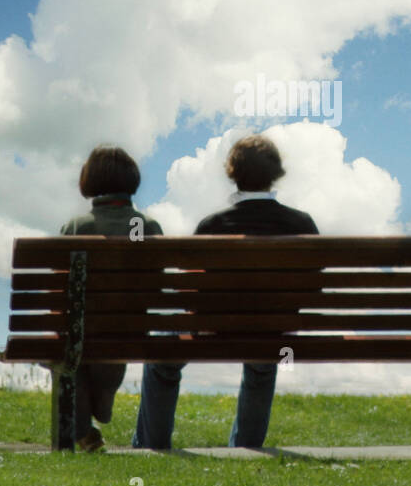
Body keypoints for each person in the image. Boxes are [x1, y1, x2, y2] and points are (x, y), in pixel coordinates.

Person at [133, 134, 318, 449]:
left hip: (214, 330)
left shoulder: (212, 226)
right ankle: (246, 448)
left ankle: (152, 445)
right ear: (275, 173)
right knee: (263, 357)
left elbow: (190, 290)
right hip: (273, 331)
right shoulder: (302, 224)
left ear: (233, 173)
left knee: (163, 351)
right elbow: (313, 287)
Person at [61, 145, 162, 451]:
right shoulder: (147, 227)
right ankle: (101, 400)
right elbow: (156, 288)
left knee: (69, 352)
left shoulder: (78, 228)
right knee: (106, 345)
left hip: (82, 334)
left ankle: (82, 425)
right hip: (130, 334)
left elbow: (60, 291)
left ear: (89, 182)